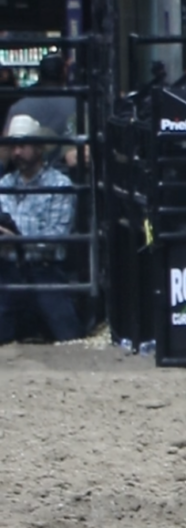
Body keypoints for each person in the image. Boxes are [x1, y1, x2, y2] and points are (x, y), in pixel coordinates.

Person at [0, 115, 82, 344]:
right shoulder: (4, 184)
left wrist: (17, 240)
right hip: (8, 269)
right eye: (13, 146)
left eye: (22, 146)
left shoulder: (60, 185)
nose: (17, 152)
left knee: (68, 334)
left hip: (44, 269)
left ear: (38, 148)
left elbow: (57, 236)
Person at [1, 55, 79, 172]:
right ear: (64, 73)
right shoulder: (78, 105)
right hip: (70, 175)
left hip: (27, 175)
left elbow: (5, 150)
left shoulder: (19, 107)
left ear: (39, 75)